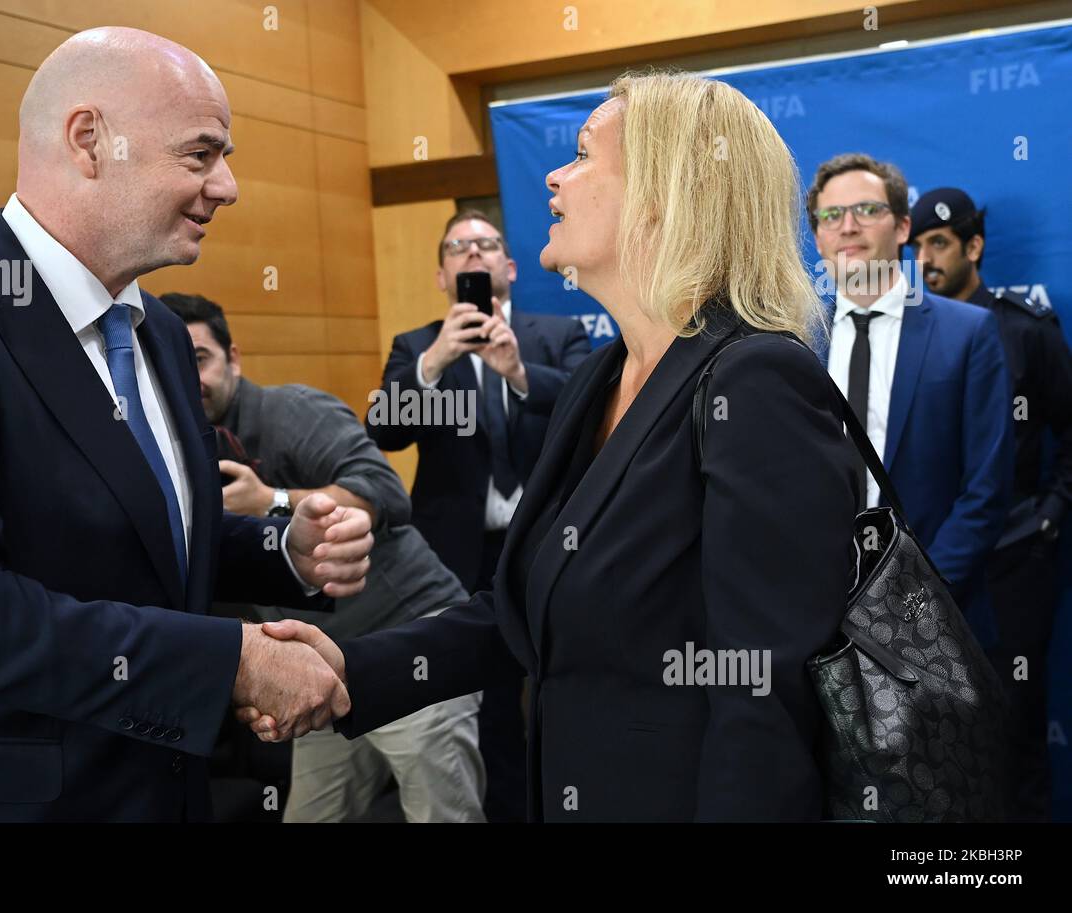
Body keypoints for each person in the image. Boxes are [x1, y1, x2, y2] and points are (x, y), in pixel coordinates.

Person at [242, 71, 860, 822]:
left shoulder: (758, 379)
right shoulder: (600, 376)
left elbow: (764, 695)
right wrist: (349, 668)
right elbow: (520, 614)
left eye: (583, 154)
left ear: (665, 194)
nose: (554, 176)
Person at [0, 27, 370, 823]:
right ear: (90, 141)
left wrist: (283, 550)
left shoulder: (161, 335)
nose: (229, 185)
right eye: (201, 155)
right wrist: (230, 662)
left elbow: (131, 537)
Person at [163, 293, 485, 822]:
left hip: (411, 636)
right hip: (323, 662)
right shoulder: (175, 444)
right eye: (174, 362)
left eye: (200, 358)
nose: (189, 376)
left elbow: (386, 493)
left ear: (233, 359)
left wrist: (271, 501)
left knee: (443, 815)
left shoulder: (293, 410)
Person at [367, 209, 590, 822]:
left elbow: (592, 411)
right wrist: (434, 362)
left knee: (560, 691)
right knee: (482, 705)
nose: (473, 254)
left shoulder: (558, 333)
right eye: (457, 248)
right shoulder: (416, 346)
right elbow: (383, 429)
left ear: (510, 268)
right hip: (455, 557)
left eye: (486, 244)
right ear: (442, 275)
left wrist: (517, 372)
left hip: (549, 548)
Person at [910, 187, 1072, 821]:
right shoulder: (901, 339)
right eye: (916, 245)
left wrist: (1050, 515)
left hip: (1012, 561)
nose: (926, 258)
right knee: (930, 740)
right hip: (925, 569)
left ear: (973, 247)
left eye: (940, 244)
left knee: (1015, 728)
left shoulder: (1023, 332)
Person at [808, 156, 1014, 644]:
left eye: (866, 209)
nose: (848, 227)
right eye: (831, 216)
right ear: (817, 236)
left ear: (902, 226)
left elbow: (986, 491)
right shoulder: (794, 341)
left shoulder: (968, 333)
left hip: (934, 619)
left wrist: (915, 602)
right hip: (814, 619)